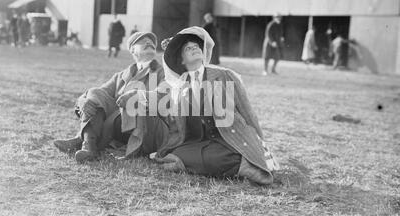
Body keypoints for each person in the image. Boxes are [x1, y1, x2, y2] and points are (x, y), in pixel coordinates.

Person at [153, 26, 279, 185]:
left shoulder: (223, 75)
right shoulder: (181, 86)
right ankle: (226, 164)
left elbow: (247, 111)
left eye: (197, 46)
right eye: (188, 48)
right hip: (206, 142)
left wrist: (262, 146)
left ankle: (244, 165)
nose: (194, 49)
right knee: (177, 152)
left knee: (216, 157)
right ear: (181, 60)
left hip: (231, 139)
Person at [54, 32, 168, 163]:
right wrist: (83, 102)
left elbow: (164, 96)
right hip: (118, 125)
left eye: (152, 42)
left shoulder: (162, 72)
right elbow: (97, 93)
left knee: (122, 105)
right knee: (94, 93)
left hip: (145, 127)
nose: (149, 43)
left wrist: (137, 95)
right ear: (132, 50)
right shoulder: (121, 75)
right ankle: (88, 145)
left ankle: (82, 139)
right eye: (143, 41)